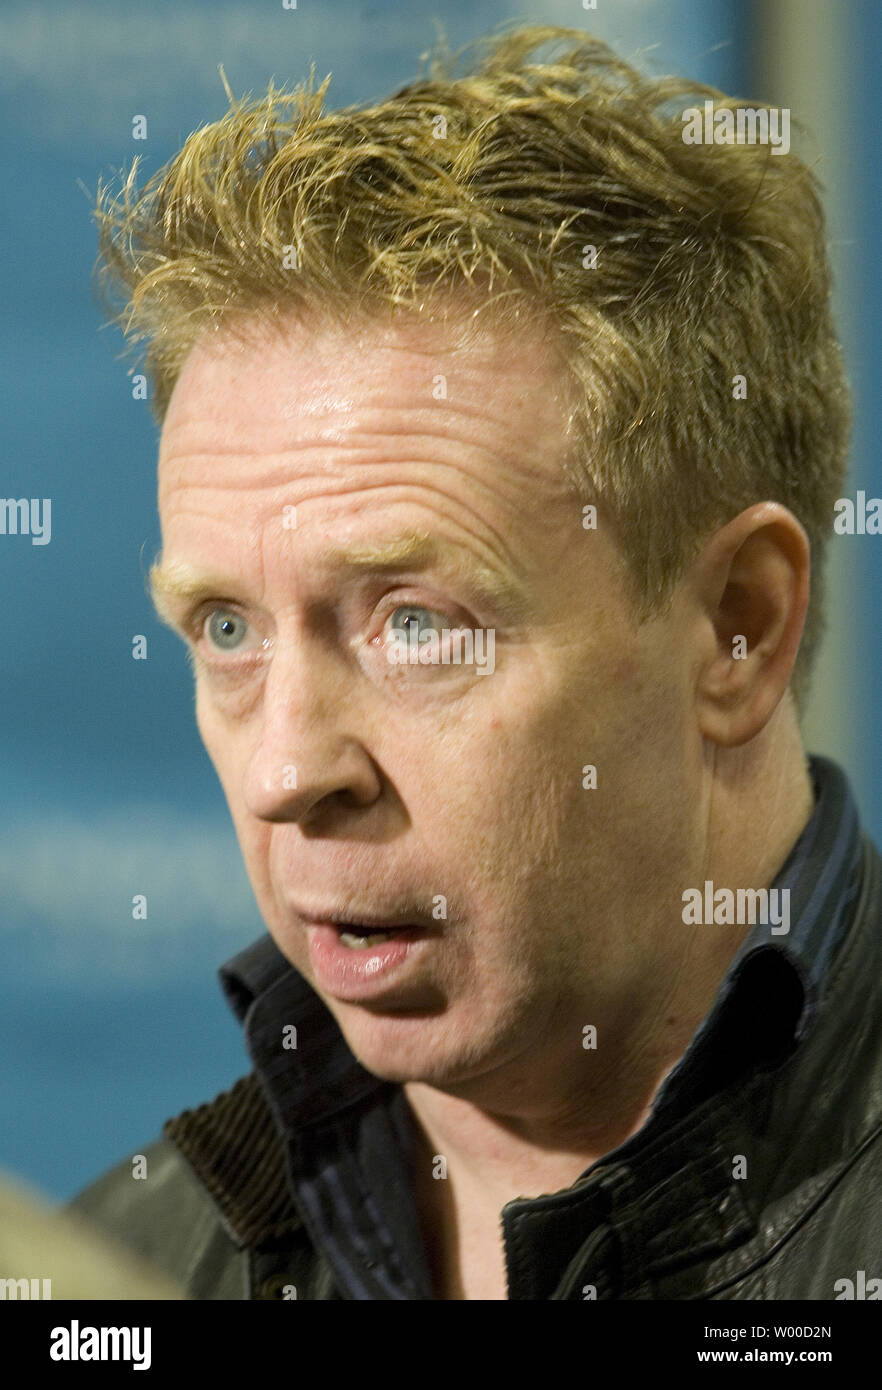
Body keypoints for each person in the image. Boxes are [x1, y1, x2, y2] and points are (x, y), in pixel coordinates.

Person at [68, 24, 882, 1300]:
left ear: (738, 628)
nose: (286, 769)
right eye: (227, 629)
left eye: (415, 623)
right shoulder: (121, 1277)